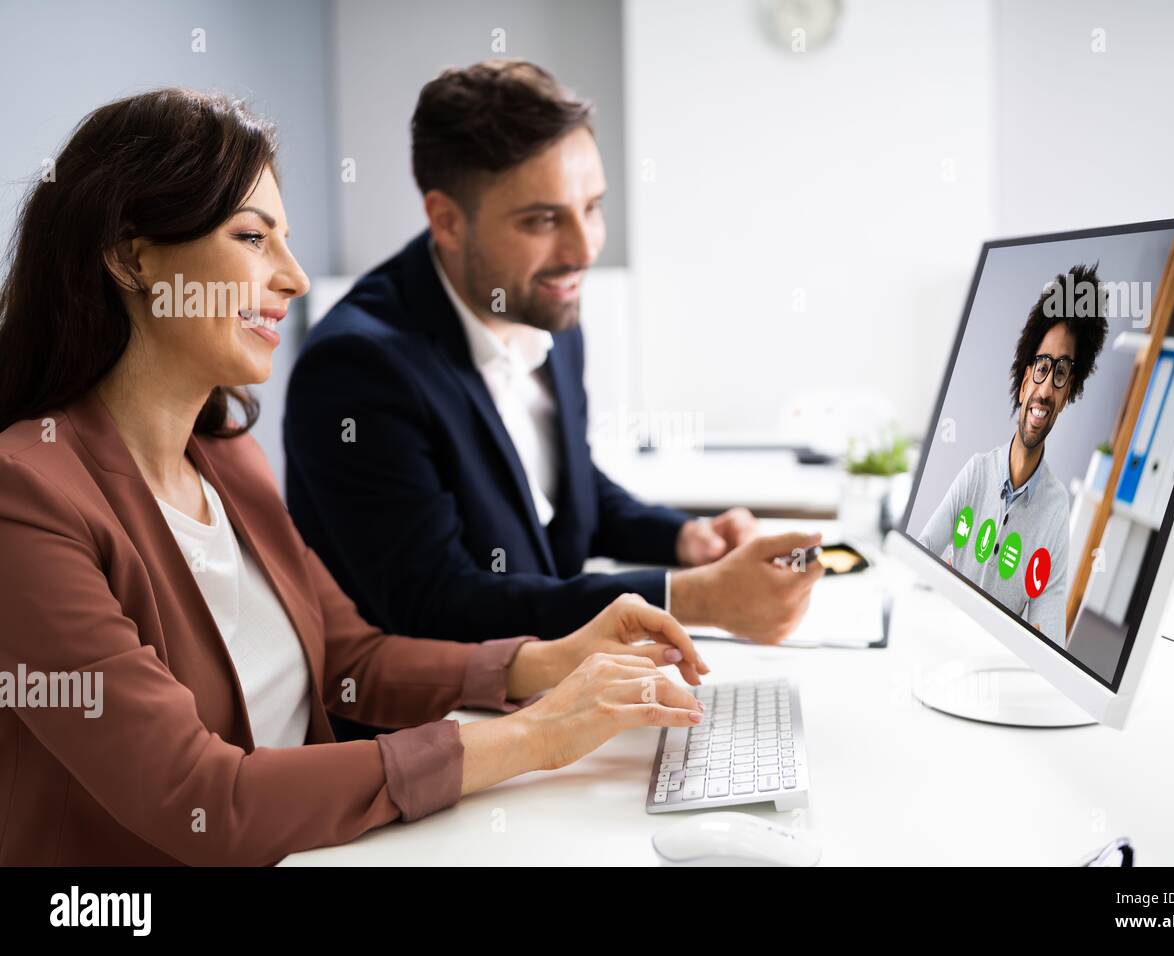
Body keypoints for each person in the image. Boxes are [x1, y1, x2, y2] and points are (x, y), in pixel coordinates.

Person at [0, 89, 710, 866]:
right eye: (252, 238)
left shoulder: (228, 456)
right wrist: (536, 734)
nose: (295, 279)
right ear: (133, 258)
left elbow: (351, 661)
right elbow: (200, 796)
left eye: (288, 241)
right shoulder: (27, 498)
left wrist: (550, 659)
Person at [283, 60, 823, 664]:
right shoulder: (356, 371)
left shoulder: (545, 304)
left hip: (553, 693)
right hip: (439, 735)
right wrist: (689, 597)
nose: (583, 248)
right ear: (447, 220)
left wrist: (681, 538)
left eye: (591, 207)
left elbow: (565, 487)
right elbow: (436, 606)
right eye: (543, 219)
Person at [917, 264, 1109, 646]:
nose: (1046, 388)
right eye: (1041, 368)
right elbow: (922, 558)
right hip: (942, 647)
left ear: (1067, 396)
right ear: (1024, 384)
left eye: (1061, 373)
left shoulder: (1055, 511)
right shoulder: (976, 473)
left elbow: (1049, 639)